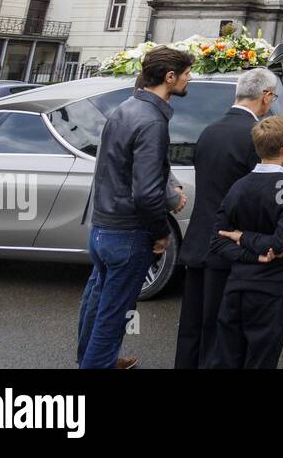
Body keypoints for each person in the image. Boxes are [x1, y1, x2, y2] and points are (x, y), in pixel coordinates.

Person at [77, 46, 193, 369]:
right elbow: (145, 192)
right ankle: (96, 365)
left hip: (103, 226)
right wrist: (161, 233)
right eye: (185, 74)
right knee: (114, 314)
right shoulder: (153, 121)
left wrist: (169, 189)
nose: (189, 79)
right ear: (169, 78)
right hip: (128, 232)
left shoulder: (125, 107)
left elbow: (122, 167)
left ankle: (91, 359)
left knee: (97, 302)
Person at [174, 67, 275, 369]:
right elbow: (255, 200)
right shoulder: (255, 137)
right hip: (231, 247)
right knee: (220, 331)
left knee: (191, 327)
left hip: (198, 241)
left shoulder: (209, 130)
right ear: (266, 97)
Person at [208, 115, 283, 369]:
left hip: (237, 285)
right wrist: (256, 247)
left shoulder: (239, 186)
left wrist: (241, 238)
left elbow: (217, 240)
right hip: (271, 289)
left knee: (229, 357)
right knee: (262, 359)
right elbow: (280, 243)